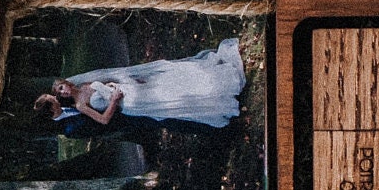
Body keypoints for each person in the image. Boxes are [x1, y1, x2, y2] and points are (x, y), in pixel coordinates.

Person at [33, 36, 247, 134]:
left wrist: (116, 84)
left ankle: (216, 86)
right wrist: (114, 100)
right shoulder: (80, 105)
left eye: (61, 87)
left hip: (129, 88)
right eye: (60, 93)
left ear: (65, 83)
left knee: (168, 86)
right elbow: (104, 120)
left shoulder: (84, 83)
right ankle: (217, 104)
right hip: (130, 103)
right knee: (169, 102)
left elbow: (107, 80)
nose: (63, 90)